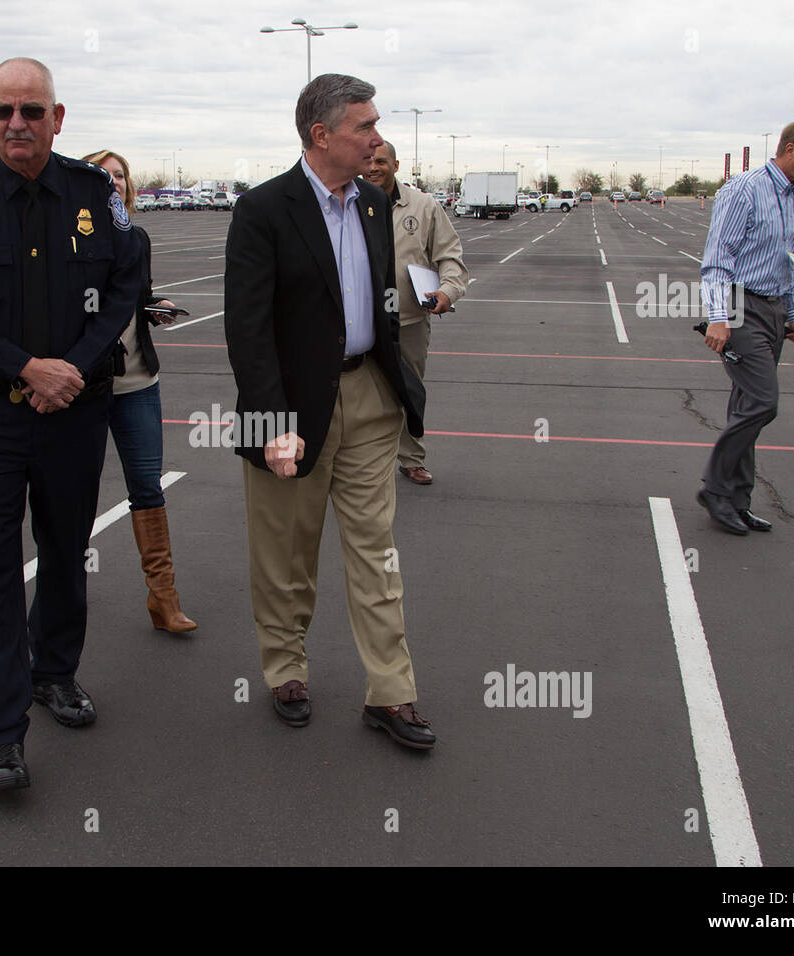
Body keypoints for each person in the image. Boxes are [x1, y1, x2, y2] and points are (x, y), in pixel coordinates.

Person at [0, 58, 141, 791]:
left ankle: (54, 675)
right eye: (2, 111)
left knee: (67, 550)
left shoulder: (92, 194)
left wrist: (69, 368)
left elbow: (121, 291)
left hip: (74, 411)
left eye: (31, 111)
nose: (17, 123)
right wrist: (27, 368)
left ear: (58, 116)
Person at [224, 73, 435, 751]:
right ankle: (286, 670)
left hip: (370, 402)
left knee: (377, 552)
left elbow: (379, 302)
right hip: (289, 410)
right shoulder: (264, 210)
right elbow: (248, 330)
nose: (376, 138)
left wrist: (399, 378)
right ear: (323, 136)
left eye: (375, 126)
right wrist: (271, 423)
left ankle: (392, 692)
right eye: (364, 127)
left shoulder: (373, 204)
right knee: (286, 554)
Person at [697, 118, 794, 535]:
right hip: (740, 307)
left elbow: (790, 262)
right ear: (790, 149)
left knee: (746, 407)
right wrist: (719, 317)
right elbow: (718, 258)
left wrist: (792, 315)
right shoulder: (745, 189)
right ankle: (715, 489)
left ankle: (738, 500)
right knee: (762, 403)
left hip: (774, 310)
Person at [81, 149, 195, 632]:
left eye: (120, 175)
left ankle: (163, 598)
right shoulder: (71, 239)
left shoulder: (138, 237)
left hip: (137, 381)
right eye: (102, 176)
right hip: (82, 386)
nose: (114, 181)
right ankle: (64, 596)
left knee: (147, 489)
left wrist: (157, 305)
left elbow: (138, 295)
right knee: (73, 495)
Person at [365, 140, 469, 485]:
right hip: (357, 319)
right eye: (368, 160)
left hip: (407, 319)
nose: (374, 167)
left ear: (396, 165)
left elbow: (449, 257)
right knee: (353, 391)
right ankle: (357, 461)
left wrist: (447, 291)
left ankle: (411, 459)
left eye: (381, 161)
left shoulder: (424, 207)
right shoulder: (345, 203)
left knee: (408, 391)